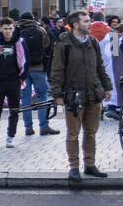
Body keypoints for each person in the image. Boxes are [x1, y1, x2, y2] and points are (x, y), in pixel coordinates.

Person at [51, 11, 112, 183]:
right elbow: (57, 70)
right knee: (73, 134)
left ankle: (90, 165)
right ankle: (74, 167)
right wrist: (57, 93)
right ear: (75, 24)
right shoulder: (64, 44)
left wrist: (107, 87)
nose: (90, 23)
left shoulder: (92, 42)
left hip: (93, 93)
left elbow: (100, 66)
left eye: (89, 20)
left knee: (91, 133)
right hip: (73, 95)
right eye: (86, 21)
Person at [0, 18, 27, 149]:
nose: (8, 31)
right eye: (5, 28)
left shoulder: (20, 42)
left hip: (14, 81)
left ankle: (10, 137)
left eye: (10, 28)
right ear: (0, 28)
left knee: (14, 110)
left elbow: (26, 60)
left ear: (14, 28)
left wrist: (21, 77)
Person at [17, 11, 57, 137]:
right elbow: (47, 46)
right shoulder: (40, 30)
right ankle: (43, 126)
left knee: (26, 99)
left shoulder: (17, 32)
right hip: (39, 68)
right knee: (43, 97)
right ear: (33, 19)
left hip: (23, 70)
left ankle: (28, 127)